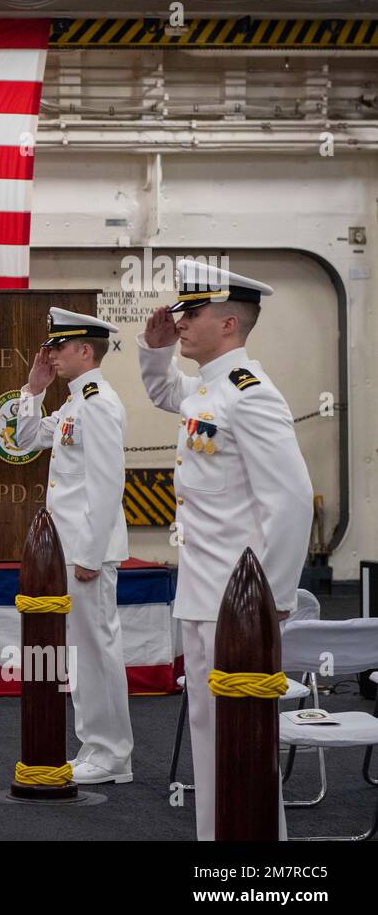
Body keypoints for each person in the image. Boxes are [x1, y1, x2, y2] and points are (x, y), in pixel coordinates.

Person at [138, 258, 312, 840]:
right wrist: (154, 347)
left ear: (230, 324)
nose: (181, 320)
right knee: (212, 737)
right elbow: (166, 391)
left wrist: (272, 599)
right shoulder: (212, 389)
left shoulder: (251, 395)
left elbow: (289, 503)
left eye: (193, 312)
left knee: (243, 740)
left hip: (237, 605)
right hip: (202, 595)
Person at [15, 308, 133, 785]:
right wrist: (33, 390)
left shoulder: (99, 402)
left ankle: (111, 754)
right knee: (82, 650)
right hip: (69, 548)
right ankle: (97, 746)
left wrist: (88, 552)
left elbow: (108, 483)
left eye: (59, 347)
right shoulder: (73, 403)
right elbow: (25, 439)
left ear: (85, 350)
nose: (51, 354)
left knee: (96, 648)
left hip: (87, 549)